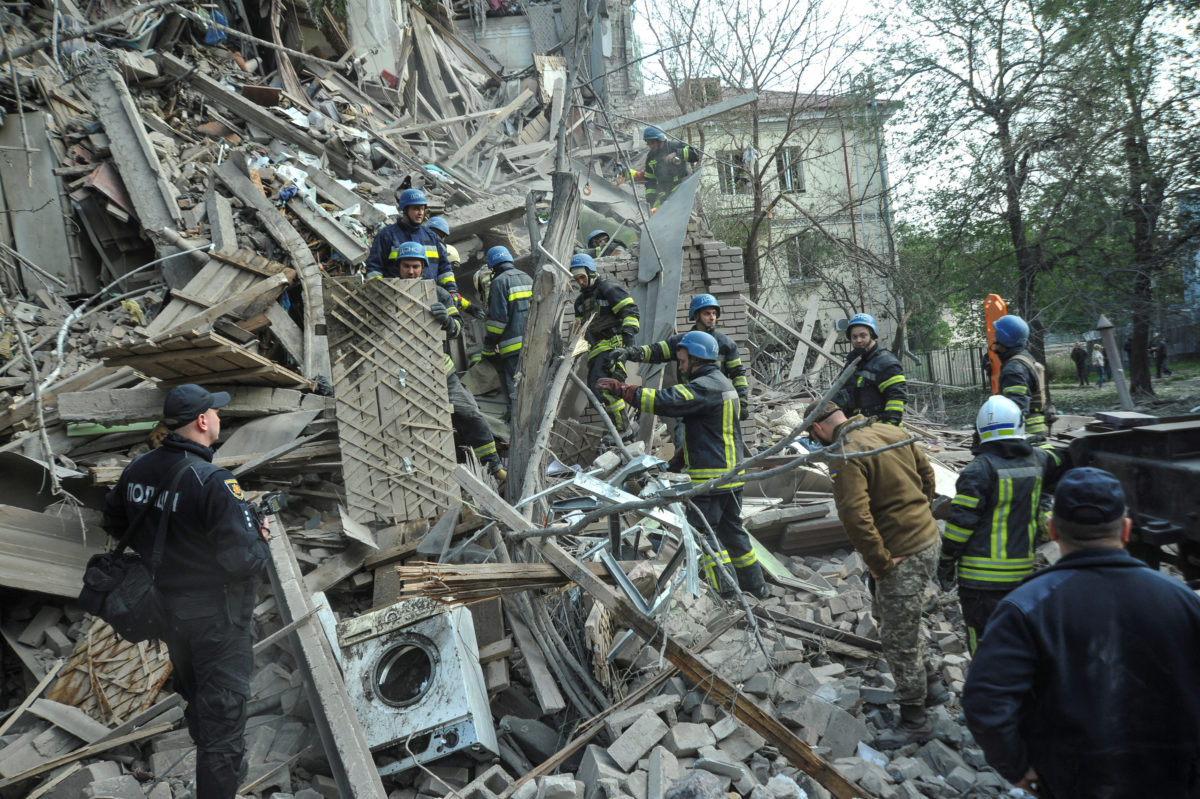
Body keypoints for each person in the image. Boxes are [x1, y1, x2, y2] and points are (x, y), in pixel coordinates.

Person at [962, 467, 1200, 798]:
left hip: (1073, 783)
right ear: (1127, 529)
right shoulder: (1182, 600)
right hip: (1174, 780)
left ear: (1052, 531)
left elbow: (985, 701)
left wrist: (1017, 768)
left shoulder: (1025, 607)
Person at [102, 384, 269, 799]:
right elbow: (243, 562)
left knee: (201, 705)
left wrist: (174, 548)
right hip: (217, 621)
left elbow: (114, 520)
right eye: (215, 412)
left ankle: (216, 772)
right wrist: (260, 536)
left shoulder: (138, 469)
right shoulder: (213, 481)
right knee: (223, 726)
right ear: (201, 421)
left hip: (169, 613)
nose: (218, 418)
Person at [804, 400, 944, 749]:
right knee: (892, 615)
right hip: (928, 539)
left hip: (902, 554)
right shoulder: (890, 430)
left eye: (812, 435)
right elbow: (928, 477)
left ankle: (916, 719)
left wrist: (881, 563)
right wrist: (917, 516)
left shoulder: (845, 453)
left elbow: (855, 517)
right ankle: (932, 683)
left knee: (899, 638)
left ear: (818, 428)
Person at [597, 331, 769, 599]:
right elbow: (707, 431)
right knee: (733, 533)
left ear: (696, 357)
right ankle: (755, 586)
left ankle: (726, 594)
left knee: (702, 536)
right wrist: (678, 461)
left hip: (712, 480)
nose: (680, 363)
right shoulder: (721, 383)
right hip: (730, 477)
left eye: (683, 358)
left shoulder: (704, 386)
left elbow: (667, 400)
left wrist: (624, 390)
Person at [936, 396, 1068, 653]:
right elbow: (1061, 457)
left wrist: (946, 562)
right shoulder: (1038, 461)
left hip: (979, 583)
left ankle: (985, 690)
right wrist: (1040, 442)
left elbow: (959, 527)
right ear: (1019, 426)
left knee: (984, 646)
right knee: (1018, 643)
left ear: (980, 430)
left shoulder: (978, 470)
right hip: (1021, 577)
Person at [368, 242, 506, 481]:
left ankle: (494, 467)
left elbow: (457, 331)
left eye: (415, 266)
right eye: (406, 266)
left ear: (423, 267)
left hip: (439, 372)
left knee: (471, 414)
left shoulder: (439, 294)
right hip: (398, 373)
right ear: (398, 266)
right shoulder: (384, 294)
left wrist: (449, 322)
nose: (411, 271)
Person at [614, 293, 749, 420]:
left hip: (716, 405)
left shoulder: (726, 344)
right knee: (684, 440)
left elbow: (738, 374)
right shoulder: (681, 342)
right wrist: (630, 352)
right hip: (687, 403)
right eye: (707, 313)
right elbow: (655, 351)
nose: (712, 317)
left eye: (714, 313)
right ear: (696, 316)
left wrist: (742, 403)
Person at [571, 253, 640, 436]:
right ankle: (620, 429)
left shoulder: (608, 288)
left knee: (606, 388)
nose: (580, 282)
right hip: (595, 353)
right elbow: (580, 331)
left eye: (582, 277)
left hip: (613, 348)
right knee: (595, 392)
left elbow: (630, 311)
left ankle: (623, 430)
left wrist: (627, 346)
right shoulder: (579, 302)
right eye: (576, 279)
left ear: (591, 272)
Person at [364, 188, 458, 296]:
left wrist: (451, 289)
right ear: (405, 210)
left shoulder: (430, 236)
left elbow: (443, 267)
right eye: (416, 209)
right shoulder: (387, 235)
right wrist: (379, 291)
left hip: (428, 296)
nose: (420, 213)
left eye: (422, 209)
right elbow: (374, 267)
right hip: (395, 298)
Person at [481, 246, 533, 419]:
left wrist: (489, 344)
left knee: (515, 387)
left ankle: (517, 422)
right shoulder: (528, 278)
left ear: (492, 266)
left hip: (512, 349)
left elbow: (498, 321)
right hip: (533, 344)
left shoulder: (499, 282)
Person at [834, 312, 906, 426]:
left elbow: (896, 399)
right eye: (854, 337)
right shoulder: (853, 362)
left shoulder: (886, 363)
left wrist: (888, 428)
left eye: (863, 335)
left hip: (879, 427)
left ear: (872, 335)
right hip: (856, 426)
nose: (858, 340)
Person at [992, 314, 1051, 438]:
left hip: (1026, 435)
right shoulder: (1025, 359)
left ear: (1003, 338)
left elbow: (1014, 409)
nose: (993, 340)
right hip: (1037, 432)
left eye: (996, 336)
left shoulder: (1014, 369)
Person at [628, 126, 700, 210]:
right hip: (665, 193)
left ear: (660, 140)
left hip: (682, 189)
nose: (651, 146)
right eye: (648, 143)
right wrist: (651, 202)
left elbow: (695, 155)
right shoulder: (651, 157)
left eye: (652, 142)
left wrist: (677, 154)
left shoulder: (675, 146)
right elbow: (650, 181)